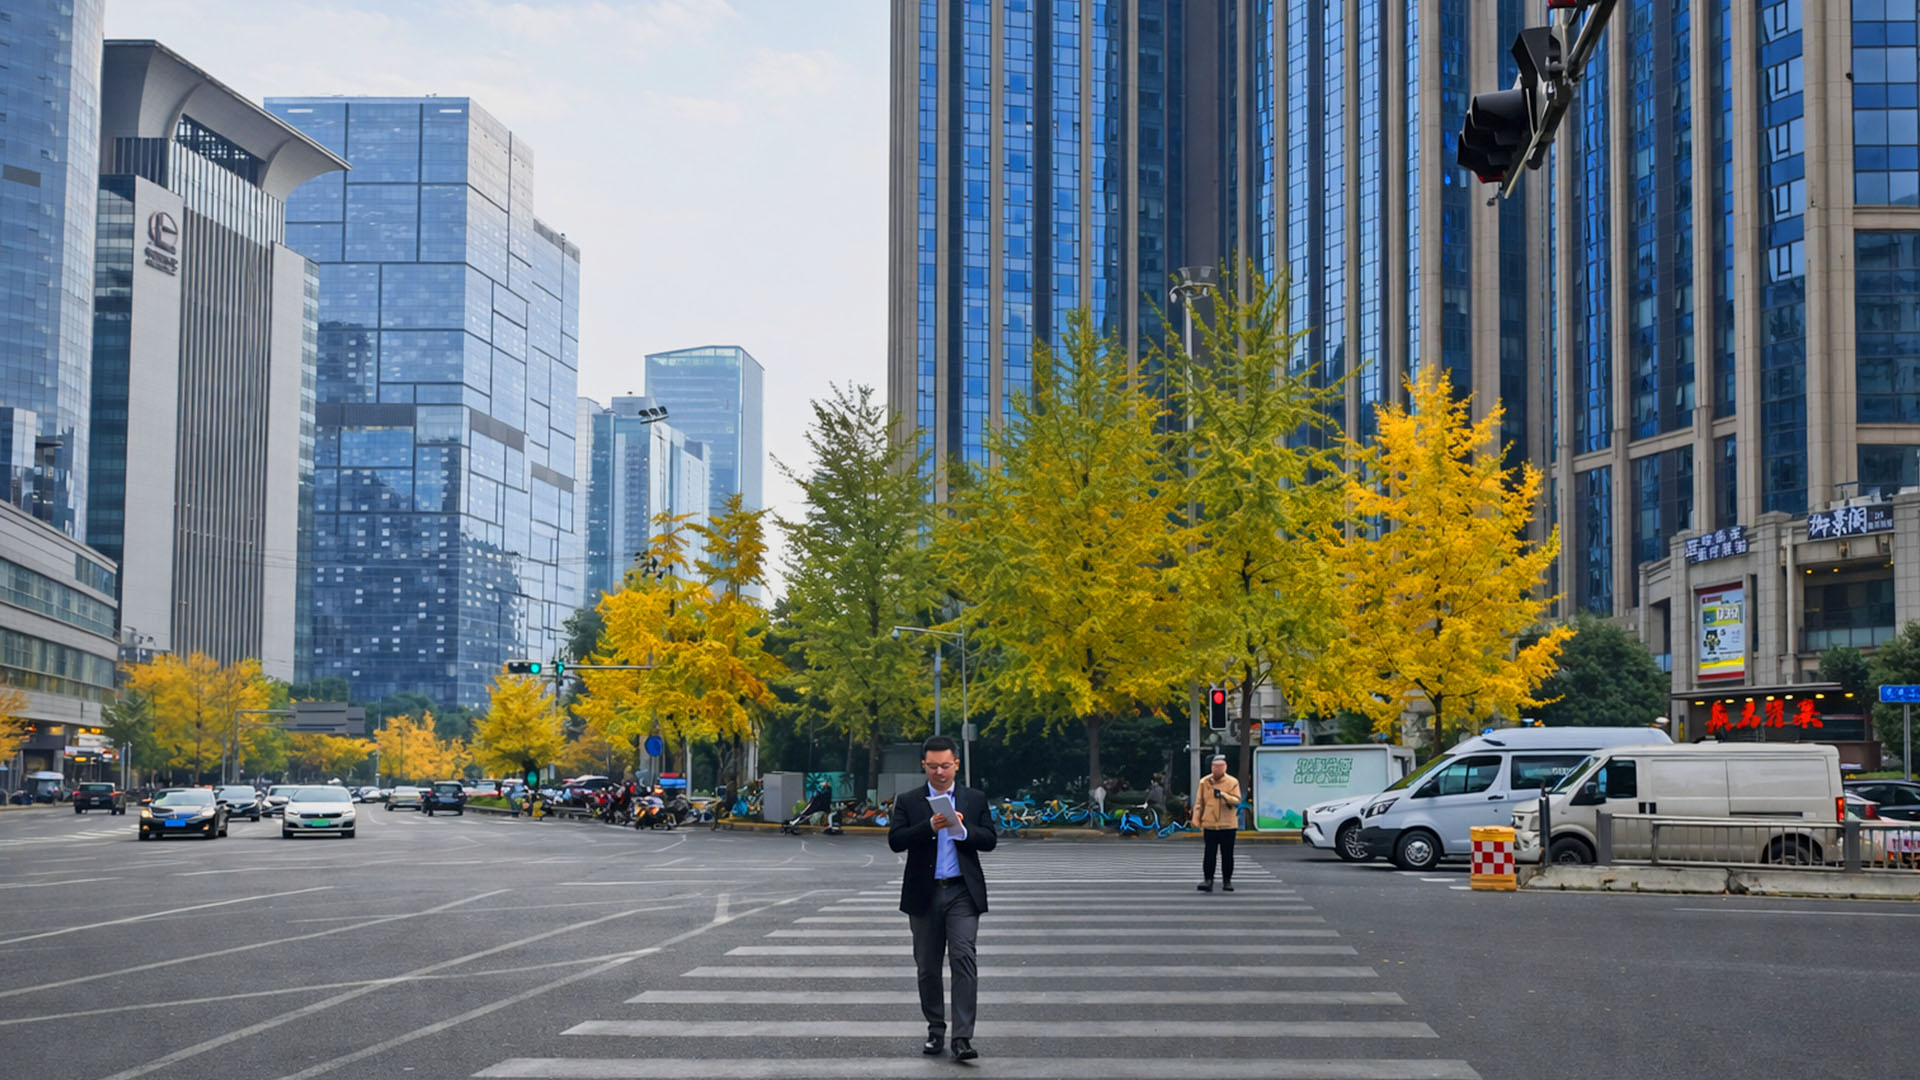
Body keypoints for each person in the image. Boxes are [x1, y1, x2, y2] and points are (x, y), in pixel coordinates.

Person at [889, 734, 997, 1062]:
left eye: (946, 765)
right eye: (933, 766)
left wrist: (963, 832)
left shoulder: (974, 799)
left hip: (962, 891)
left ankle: (962, 1038)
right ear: (924, 765)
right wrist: (929, 827)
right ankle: (936, 1029)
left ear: (956, 765)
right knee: (927, 966)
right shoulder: (909, 801)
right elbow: (896, 840)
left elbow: (990, 839)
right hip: (924, 893)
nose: (939, 772)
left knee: (964, 959)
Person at [1191, 754, 1242, 892]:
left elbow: (1237, 800)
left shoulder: (1232, 782)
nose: (1217, 770)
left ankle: (1227, 881)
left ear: (1225, 768)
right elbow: (1199, 802)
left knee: (1227, 854)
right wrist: (1196, 818)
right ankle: (1208, 880)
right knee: (1209, 854)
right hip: (1210, 823)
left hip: (1228, 824)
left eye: (1220, 767)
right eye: (1215, 767)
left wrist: (1224, 795)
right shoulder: (1204, 782)